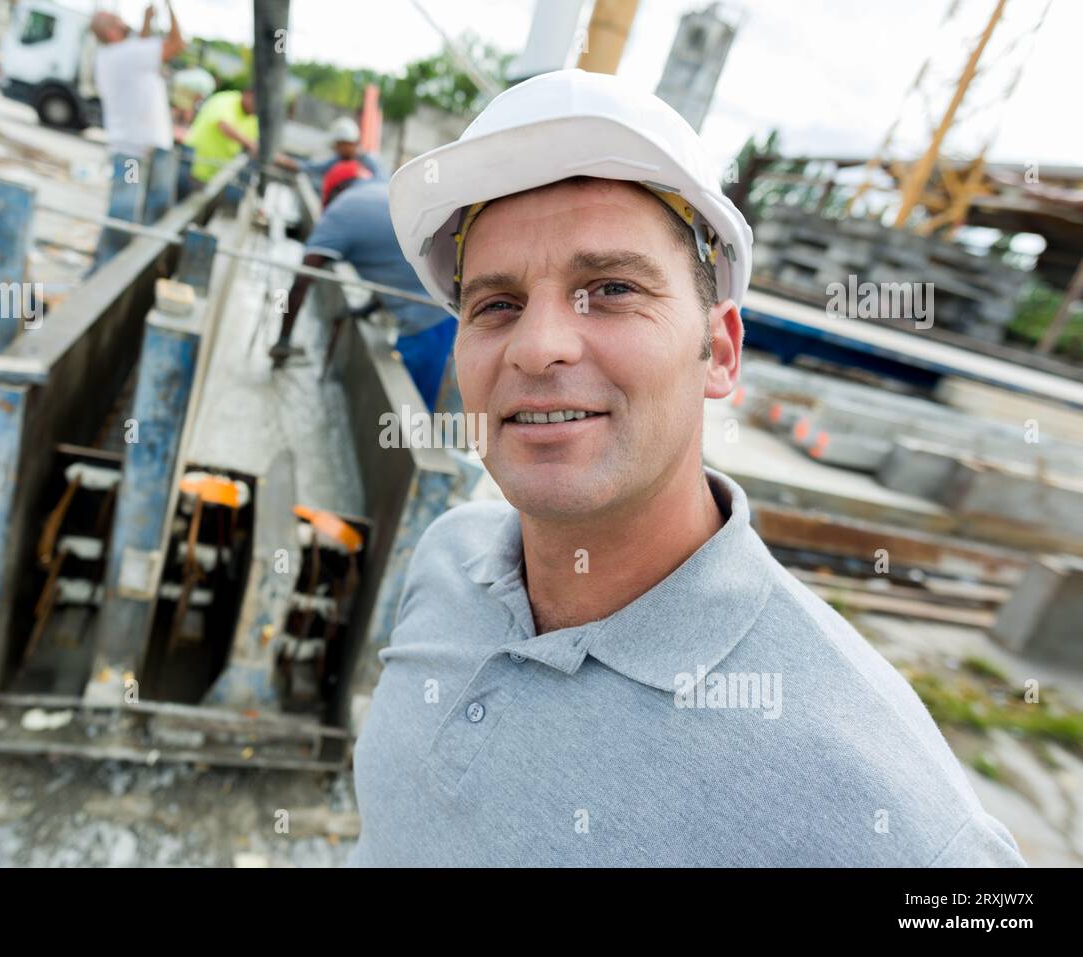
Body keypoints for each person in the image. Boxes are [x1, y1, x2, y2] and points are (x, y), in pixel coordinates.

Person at [348, 69, 1027, 867]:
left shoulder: (886, 812)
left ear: (721, 351)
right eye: (495, 304)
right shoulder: (449, 559)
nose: (538, 347)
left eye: (610, 288)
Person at [268, 161, 457, 411]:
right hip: (448, 301)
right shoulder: (382, 187)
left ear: (332, 193)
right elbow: (394, 260)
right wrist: (366, 309)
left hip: (427, 319)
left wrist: (283, 339)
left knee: (412, 412)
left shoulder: (339, 212)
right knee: (430, 401)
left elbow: (302, 279)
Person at [90, 3, 184, 267]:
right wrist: (170, 6)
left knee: (144, 213)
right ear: (110, 32)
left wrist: (146, 21)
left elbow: (140, 48)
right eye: (117, 20)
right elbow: (177, 43)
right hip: (134, 151)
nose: (122, 21)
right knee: (126, 214)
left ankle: (126, 266)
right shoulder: (124, 54)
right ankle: (111, 270)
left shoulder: (117, 54)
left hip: (143, 147)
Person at [183, 86, 259, 204]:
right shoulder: (226, 100)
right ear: (248, 94)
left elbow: (257, 144)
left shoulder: (253, 118)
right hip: (192, 161)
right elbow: (223, 126)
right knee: (182, 205)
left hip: (214, 172)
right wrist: (250, 144)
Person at [275, 116, 388, 187]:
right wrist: (286, 162)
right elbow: (313, 167)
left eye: (338, 146)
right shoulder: (338, 160)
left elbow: (382, 185)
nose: (337, 150)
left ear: (348, 143)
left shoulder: (369, 162)